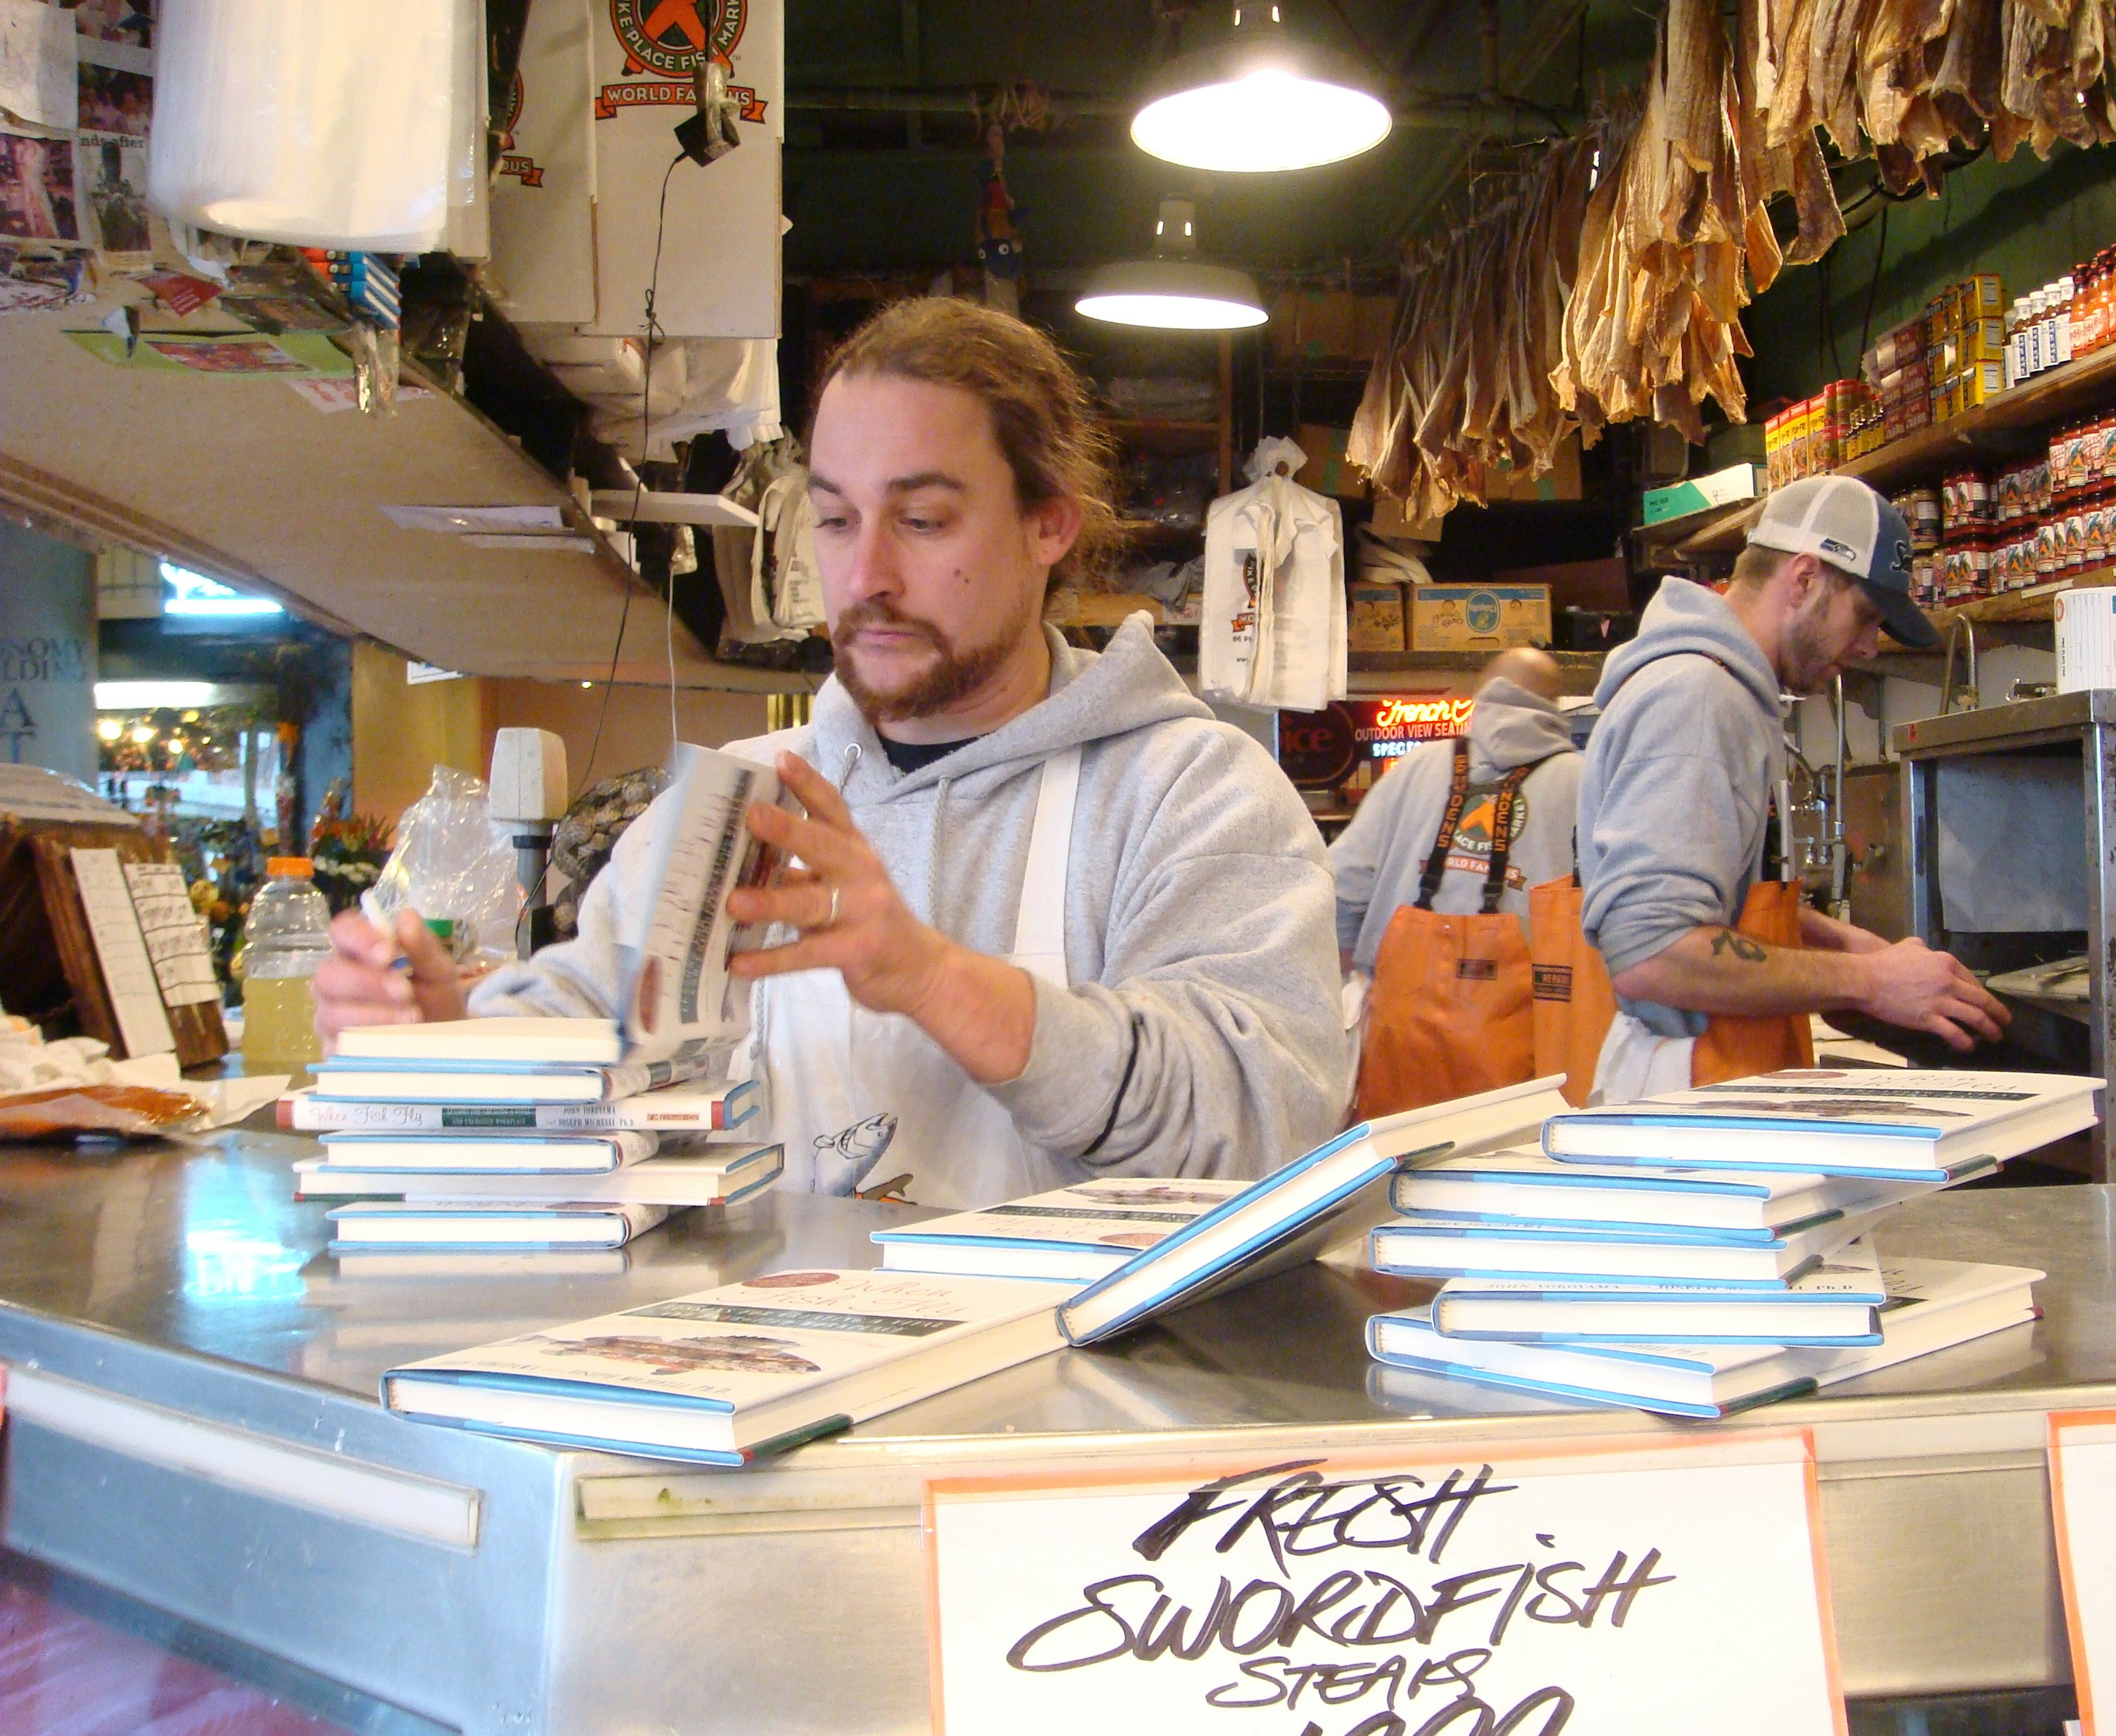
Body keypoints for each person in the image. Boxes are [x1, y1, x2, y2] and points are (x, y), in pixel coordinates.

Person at [313, 296, 1348, 1204]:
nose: (866, 576)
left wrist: (937, 980)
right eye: (838, 521)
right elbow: (597, 1038)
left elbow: (1269, 1125)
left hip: (1072, 1404)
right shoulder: (740, 806)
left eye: (925, 519)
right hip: (773, 1391)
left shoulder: (1193, 796)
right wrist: (453, 1043)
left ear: (1049, 526)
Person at [1577, 474, 2009, 1103]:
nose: (1868, 646)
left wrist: (1831, 939)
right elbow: (1654, 951)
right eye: (1865, 616)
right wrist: (1867, 981)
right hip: (1684, 1093)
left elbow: (1708, 906)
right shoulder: (1698, 697)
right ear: (1804, 580)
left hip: (1703, 1078)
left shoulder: (1717, 688)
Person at [1329, 648, 1583, 1113]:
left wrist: (1358, 982)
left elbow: (1341, 891)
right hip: (1529, 1057)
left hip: (1401, 1046)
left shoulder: (1416, 768)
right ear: (1555, 706)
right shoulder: (1585, 784)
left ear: (1481, 699)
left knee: (1397, 1174)